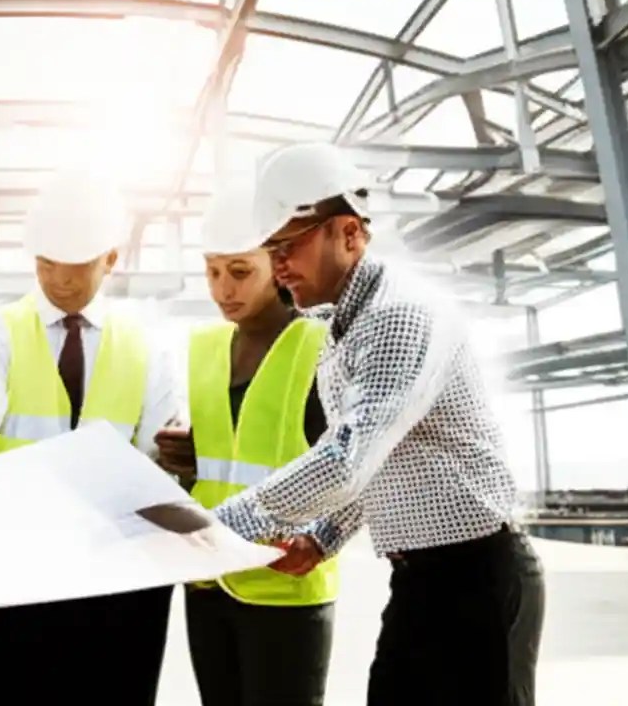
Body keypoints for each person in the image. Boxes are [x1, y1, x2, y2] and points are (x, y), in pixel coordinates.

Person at [210, 142, 545, 706]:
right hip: (421, 580)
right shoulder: (339, 326)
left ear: (349, 233)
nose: (278, 263)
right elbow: (381, 458)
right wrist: (322, 538)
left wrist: (222, 525)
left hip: (478, 577)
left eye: (288, 244)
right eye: (271, 248)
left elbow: (348, 457)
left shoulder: (399, 315)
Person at [0, 170, 180, 706]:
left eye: (76, 267)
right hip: (20, 575)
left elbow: (161, 450)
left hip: (120, 584)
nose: (59, 281)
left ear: (111, 258)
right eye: (45, 264)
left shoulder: (145, 346)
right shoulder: (0, 332)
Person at [155, 180, 337, 706]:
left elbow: (349, 462)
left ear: (278, 265)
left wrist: (322, 539)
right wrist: (183, 458)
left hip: (285, 579)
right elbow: (225, 453)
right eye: (212, 271)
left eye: (239, 272)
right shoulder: (204, 348)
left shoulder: (319, 345)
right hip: (209, 579)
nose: (222, 289)